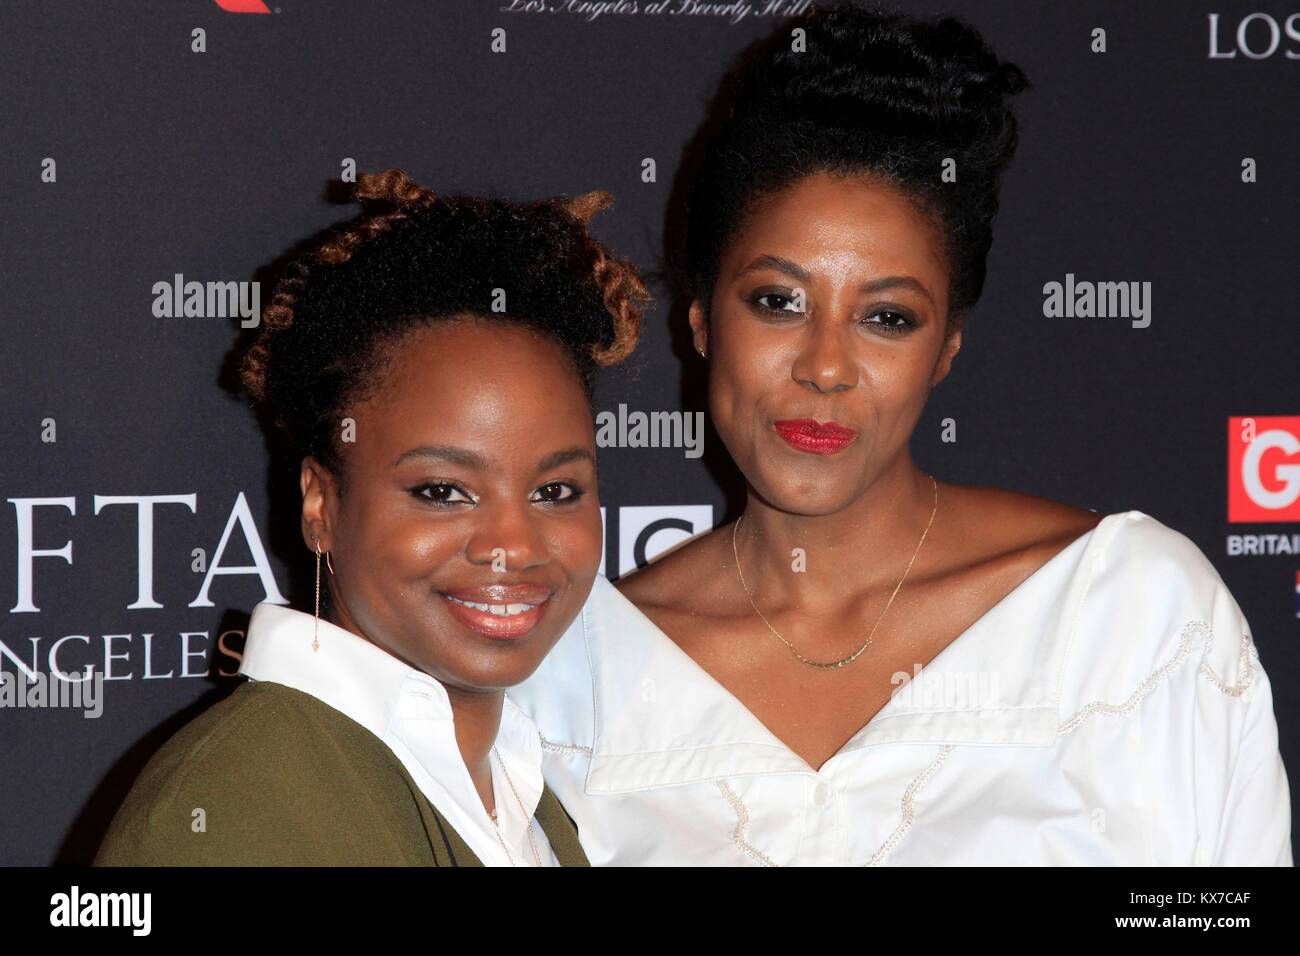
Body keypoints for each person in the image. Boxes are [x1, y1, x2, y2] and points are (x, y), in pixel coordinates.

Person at [508, 3, 1293, 865]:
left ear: (946, 348)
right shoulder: (570, 686)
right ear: (702, 320)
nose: (827, 366)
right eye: (779, 301)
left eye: (887, 317)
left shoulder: (1124, 622)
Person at [95, 168, 648, 866]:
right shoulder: (241, 803)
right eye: (444, 491)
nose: (514, 544)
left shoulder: (520, 787)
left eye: (556, 491)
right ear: (321, 505)